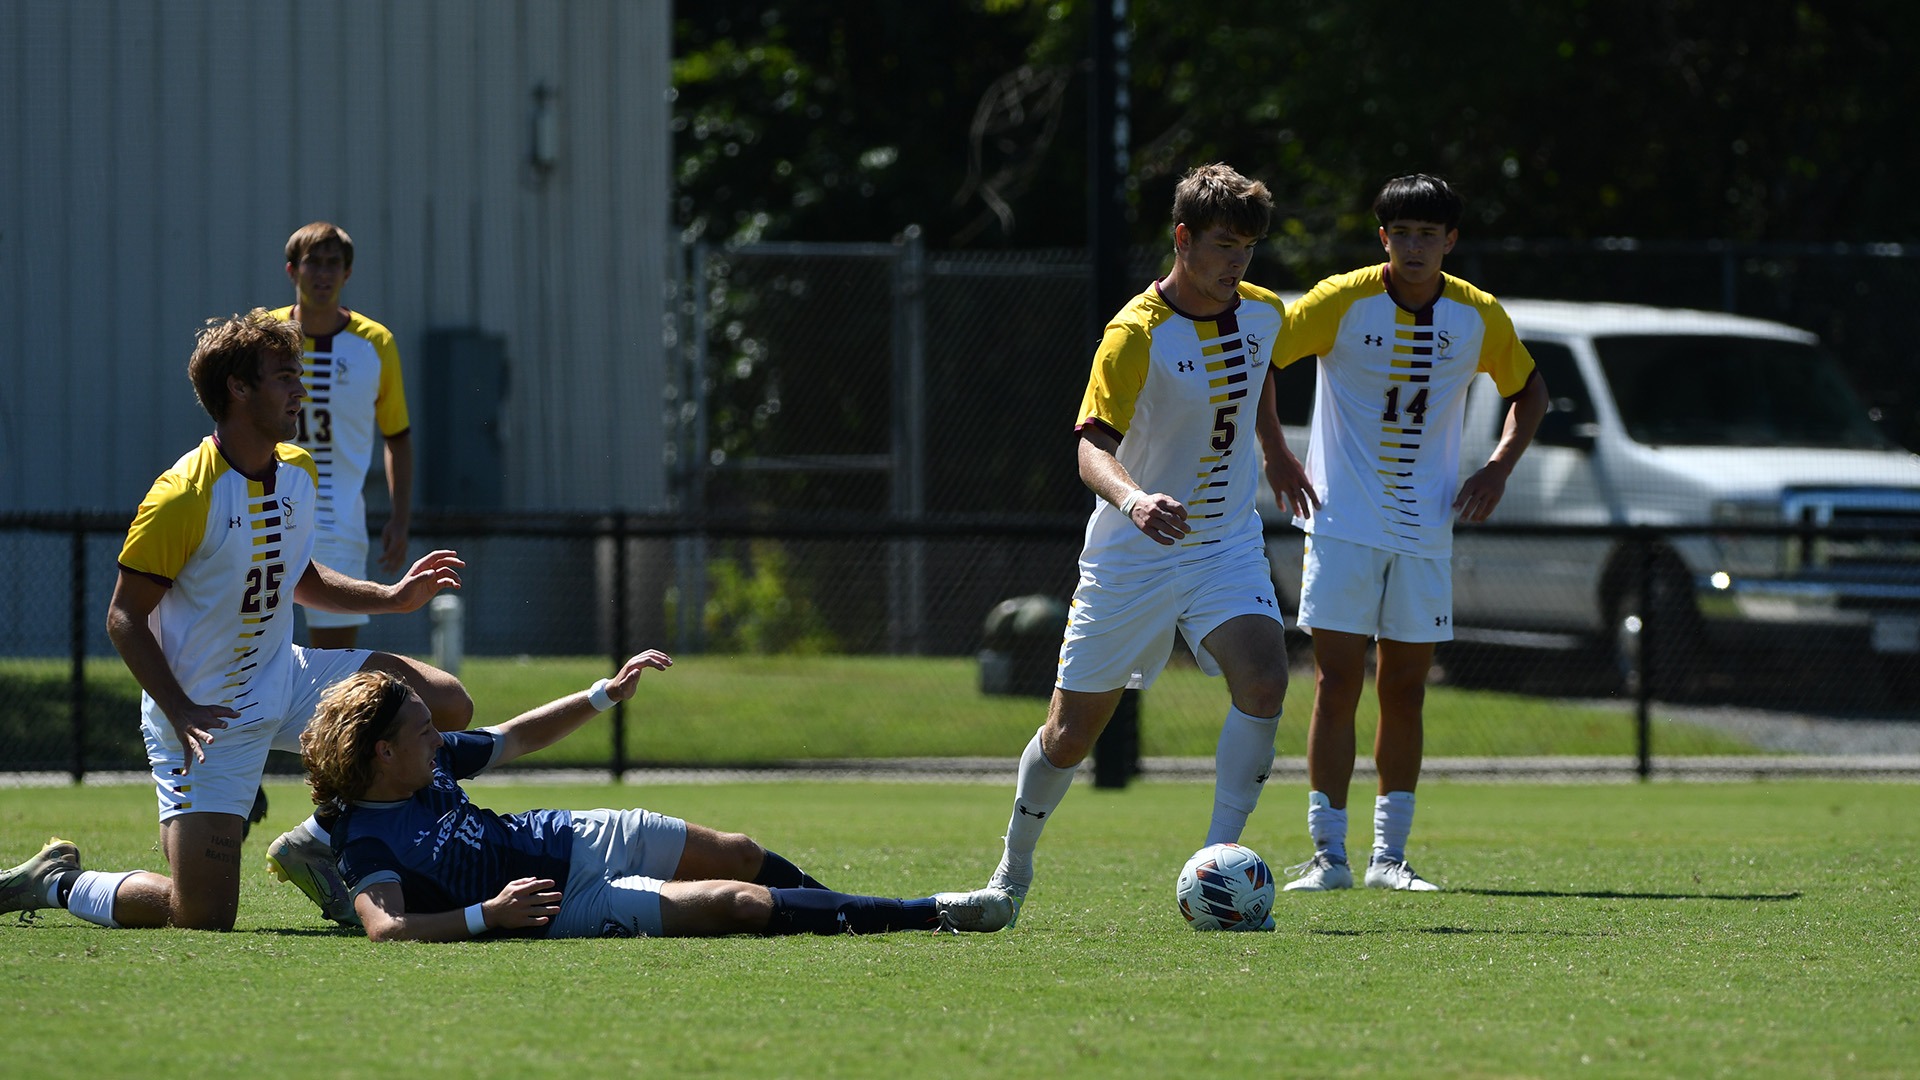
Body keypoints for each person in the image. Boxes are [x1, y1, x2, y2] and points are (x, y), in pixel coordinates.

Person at [0, 309, 471, 932]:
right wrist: (180, 710)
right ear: (238, 389)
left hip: (289, 677)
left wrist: (392, 597)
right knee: (200, 916)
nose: (299, 389)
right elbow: (123, 618)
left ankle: (317, 840)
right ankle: (57, 882)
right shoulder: (182, 496)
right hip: (205, 720)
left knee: (446, 705)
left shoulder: (296, 469)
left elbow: (295, 575)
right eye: (283, 377)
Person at [978, 163, 1317, 926]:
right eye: (1224, 246)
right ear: (1183, 239)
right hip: (1132, 552)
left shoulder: (1261, 313)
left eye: (1249, 249)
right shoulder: (1135, 334)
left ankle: (1215, 868)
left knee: (1264, 679)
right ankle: (1011, 872)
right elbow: (1089, 447)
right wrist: (1132, 499)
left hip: (1221, 545)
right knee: (1069, 735)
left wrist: (1275, 451)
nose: (1238, 263)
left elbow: (1255, 375)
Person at [296, 655, 1014, 941]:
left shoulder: (431, 760)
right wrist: (490, 915)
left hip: (574, 834)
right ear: (384, 752)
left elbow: (517, 736)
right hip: (563, 907)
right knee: (741, 903)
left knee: (740, 853)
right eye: (424, 730)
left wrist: (603, 694)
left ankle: (852, 913)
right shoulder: (367, 839)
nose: (439, 735)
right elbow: (387, 931)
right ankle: (931, 914)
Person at [1270, 173, 1548, 893]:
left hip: (1426, 530)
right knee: (1335, 684)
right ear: (1382, 235)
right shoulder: (1339, 299)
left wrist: (1497, 468)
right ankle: (1328, 856)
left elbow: (1530, 391)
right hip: (1342, 524)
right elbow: (1260, 363)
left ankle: (1388, 858)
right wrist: (1276, 453)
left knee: (1406, 688)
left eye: (1431, 234)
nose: (1415, 246)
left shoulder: (1477, 314)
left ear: (1451, 241)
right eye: (1403, 232)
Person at [271, 221, 415, 650]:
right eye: (313, 262)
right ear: (292, 270)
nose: (323, 274)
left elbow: (398, 437)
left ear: (347, 274)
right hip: (263, 505)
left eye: (334, 264)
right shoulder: (265, 334)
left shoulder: (375, 343)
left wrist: (399, 517)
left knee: (333, 661)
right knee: (251, 642)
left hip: (337, 516)